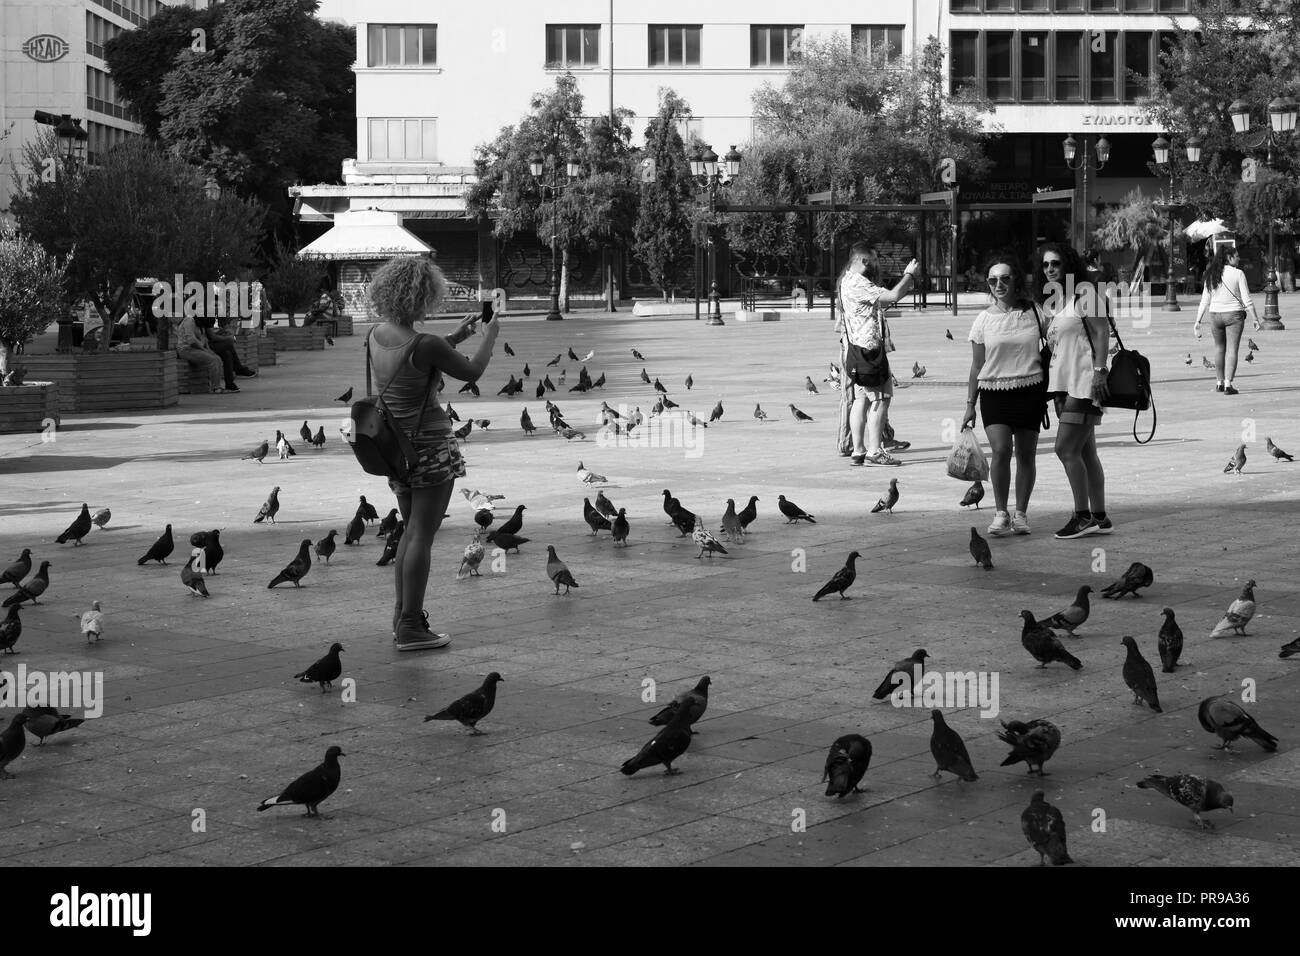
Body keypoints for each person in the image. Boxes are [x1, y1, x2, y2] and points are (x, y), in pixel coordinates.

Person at [367, 256, 498, 651]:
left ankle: (401, 616)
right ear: (425, 294)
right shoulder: (426, 344)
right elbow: (472, 372)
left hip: (394, 449)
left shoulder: (374, 334)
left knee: (409, 531)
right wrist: (490, 333)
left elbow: (415, 363)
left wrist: (453, 338)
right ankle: (410, 625)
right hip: (430, 448)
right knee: (422, 534)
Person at [960, 253, 1047, 536]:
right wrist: (970, 404)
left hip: (1030, 391)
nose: (999, 284)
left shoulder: (1034, 312)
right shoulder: (983, 320)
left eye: (1005, 279)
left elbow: (1058, 339)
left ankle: (1020, 513)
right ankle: (1000, 513)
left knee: (1026, 454)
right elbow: (976, 365)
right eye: (993, 280)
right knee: (1000, 451)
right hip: (994, 393)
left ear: (1015, 281)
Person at [1038, 243, 1111, 539]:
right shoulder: (1059, 300)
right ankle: (1100, 516)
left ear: (1068, 264)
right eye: (1045, 265)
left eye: (1055, 263)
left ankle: (1082, 516)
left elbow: (1102, 331)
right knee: (1086, 451)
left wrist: (1099, 371)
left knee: (1065, 449)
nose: (1050, 269)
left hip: (1084, 384)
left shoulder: (1085, 293)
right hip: (1066, 386)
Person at [838, 242, 920, 466]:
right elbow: (893, 295)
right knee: (882, 399)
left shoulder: (846, 280)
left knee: (861, 399)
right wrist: (909, 275)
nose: (877, 265)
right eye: (874, 261)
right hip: (870, 351)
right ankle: (874, 452)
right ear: (864, 261)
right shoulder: (860, 283)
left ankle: (858, 450)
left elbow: (881, 302)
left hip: (854, 351)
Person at [1194, 242, 1261, 395]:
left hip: (1215, 315)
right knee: (1232, 349)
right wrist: (1255, 318)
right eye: (1236, 257)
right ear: (1229, 257)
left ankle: (1219, 382)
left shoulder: (1211, 274)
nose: (1239, 259)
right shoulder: (1238, 273)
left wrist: (1197, 321)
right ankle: (1228, 384)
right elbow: (1247, 299)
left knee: (1219, 348)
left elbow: (1204, 300)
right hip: (1234, 316)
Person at [196, 316, 256, 392]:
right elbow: (212, 337)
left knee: (227, 354)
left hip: (208, 343)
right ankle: (239, 368)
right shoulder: (205, 317)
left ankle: (230, 383)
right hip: (205, 346)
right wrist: (228, 338)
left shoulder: (211, 315)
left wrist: (221, 333)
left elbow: (210, 335)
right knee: (229, 344)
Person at [173, 313, 225, 393]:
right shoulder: (189, 321)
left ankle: (217, 385)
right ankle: (216, 387)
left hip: (196, 349)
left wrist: (210, 351)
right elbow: (191, 340)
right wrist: (204, 350)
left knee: (218, 359)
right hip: (186, 350)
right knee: (213, 361)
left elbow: (204, 341)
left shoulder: (200, 326)